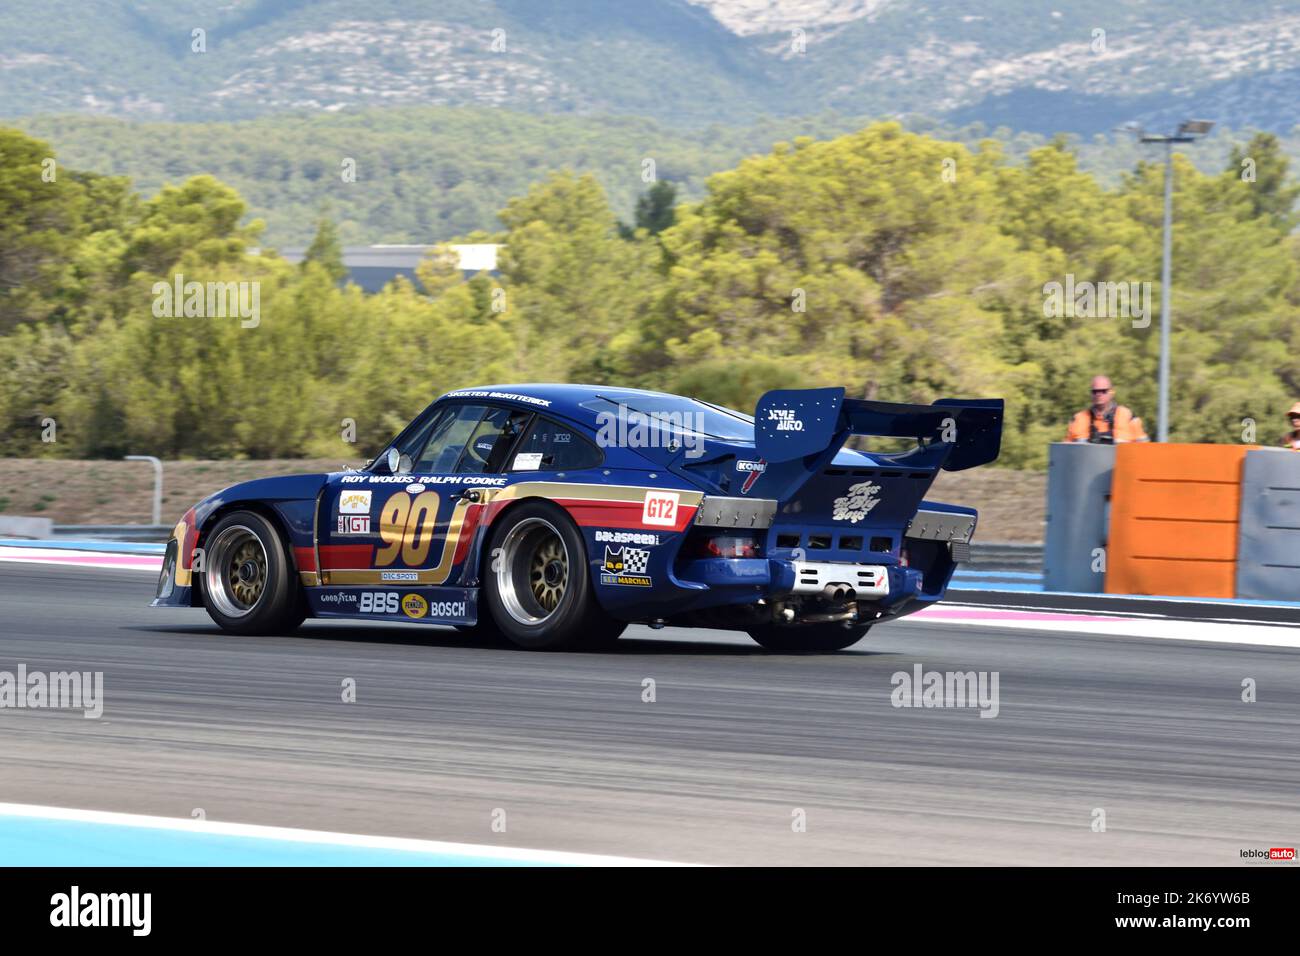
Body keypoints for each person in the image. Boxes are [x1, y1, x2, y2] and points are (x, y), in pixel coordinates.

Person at [1066, 375, 1149, 444]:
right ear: (1091, 394)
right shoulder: (1078, 419)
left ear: (1111, 393)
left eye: (1103, 391)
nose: (1099, 394)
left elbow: (1144, 450)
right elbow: (1064, 452)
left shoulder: (1127, 416)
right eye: (1095, 391)